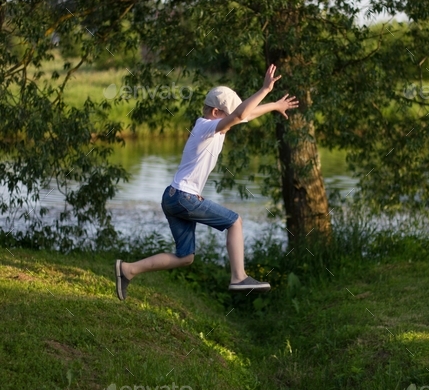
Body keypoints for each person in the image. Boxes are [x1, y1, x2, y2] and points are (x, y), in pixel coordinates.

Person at [115, 64, 298, 300]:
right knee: (235, 222)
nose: (235, 121)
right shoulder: (206, 127)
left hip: (172, 197)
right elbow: (241, 114)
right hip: (183, 197)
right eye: (229, 115)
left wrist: (275, 105)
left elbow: (245, 114)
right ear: (215, 113)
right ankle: (238, 277)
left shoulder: (215, 126)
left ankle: (128, 269)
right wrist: (264, 89)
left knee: (185, 257)